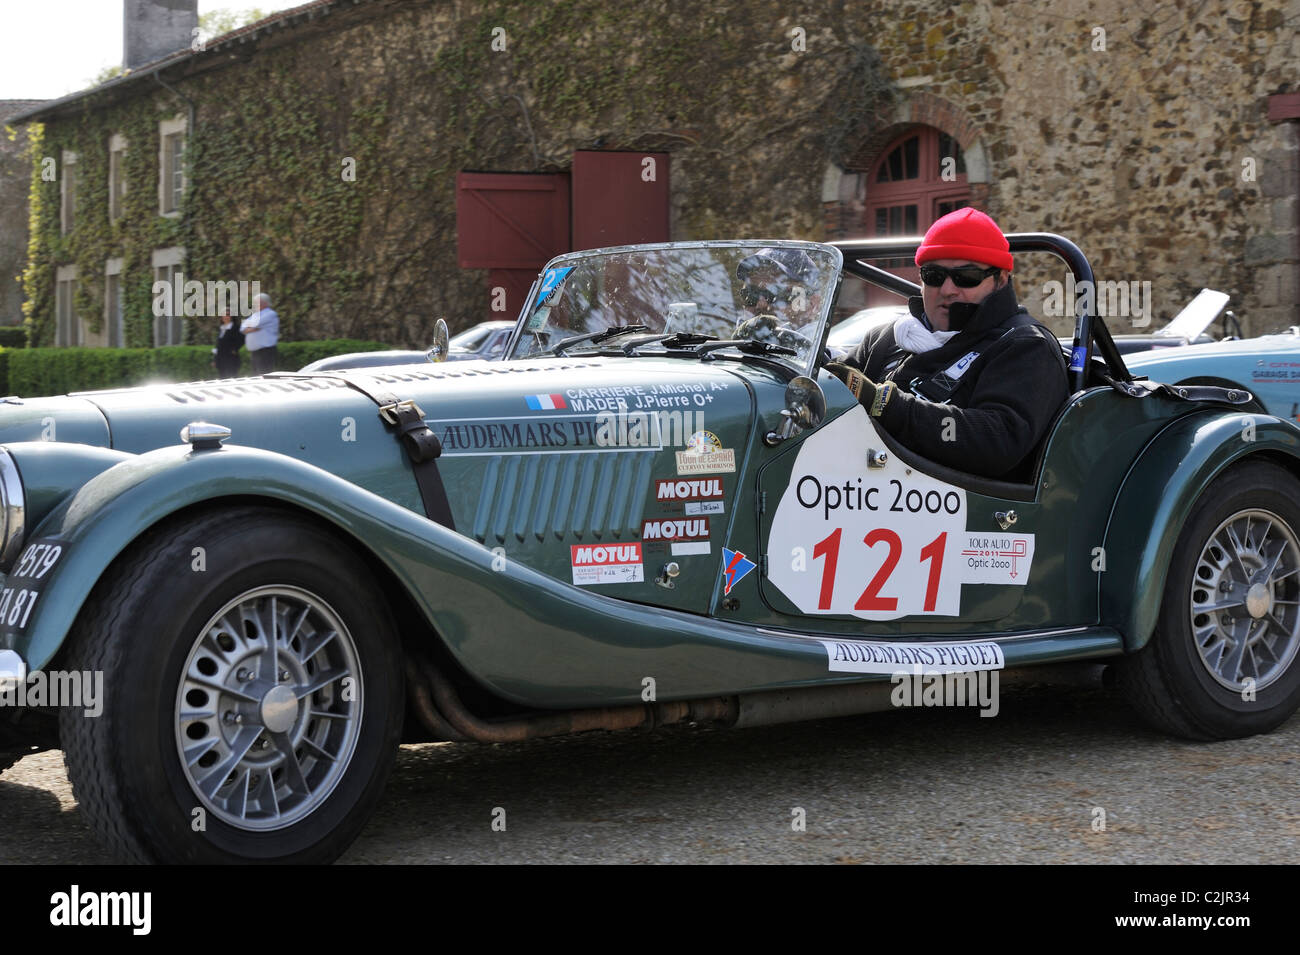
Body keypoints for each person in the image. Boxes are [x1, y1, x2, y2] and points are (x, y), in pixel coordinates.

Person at [826, 208, 1068, 480]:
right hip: (850, 487)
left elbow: (997, 441)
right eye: (934, 275)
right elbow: (826, 393)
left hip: (960, 502)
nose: (947, 289)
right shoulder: (886, 338)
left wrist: (885, 405)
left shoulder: (1026, 346)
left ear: (999, 281)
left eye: (967, 277)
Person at [241, 293, 280, 375]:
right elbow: (242, 327)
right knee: (255, 376)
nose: (254, 305)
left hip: (266, 351)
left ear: (264, 303)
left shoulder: (270, 314)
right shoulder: (255, 315)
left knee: (264, 376)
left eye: (256, 302)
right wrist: (252, 329)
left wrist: (249, 328)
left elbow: (256, 323)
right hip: (255, 352)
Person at [213, 309, 244, 378]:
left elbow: (241, 339)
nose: (226, 317)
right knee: (223, 379)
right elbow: (218, 345)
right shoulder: (221, 328)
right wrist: (215, 359)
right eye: (224, 315)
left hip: (231, 359)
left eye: (228, 315)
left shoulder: (236, 327)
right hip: (221, 360)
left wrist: (235, 349)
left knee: (232, 378)